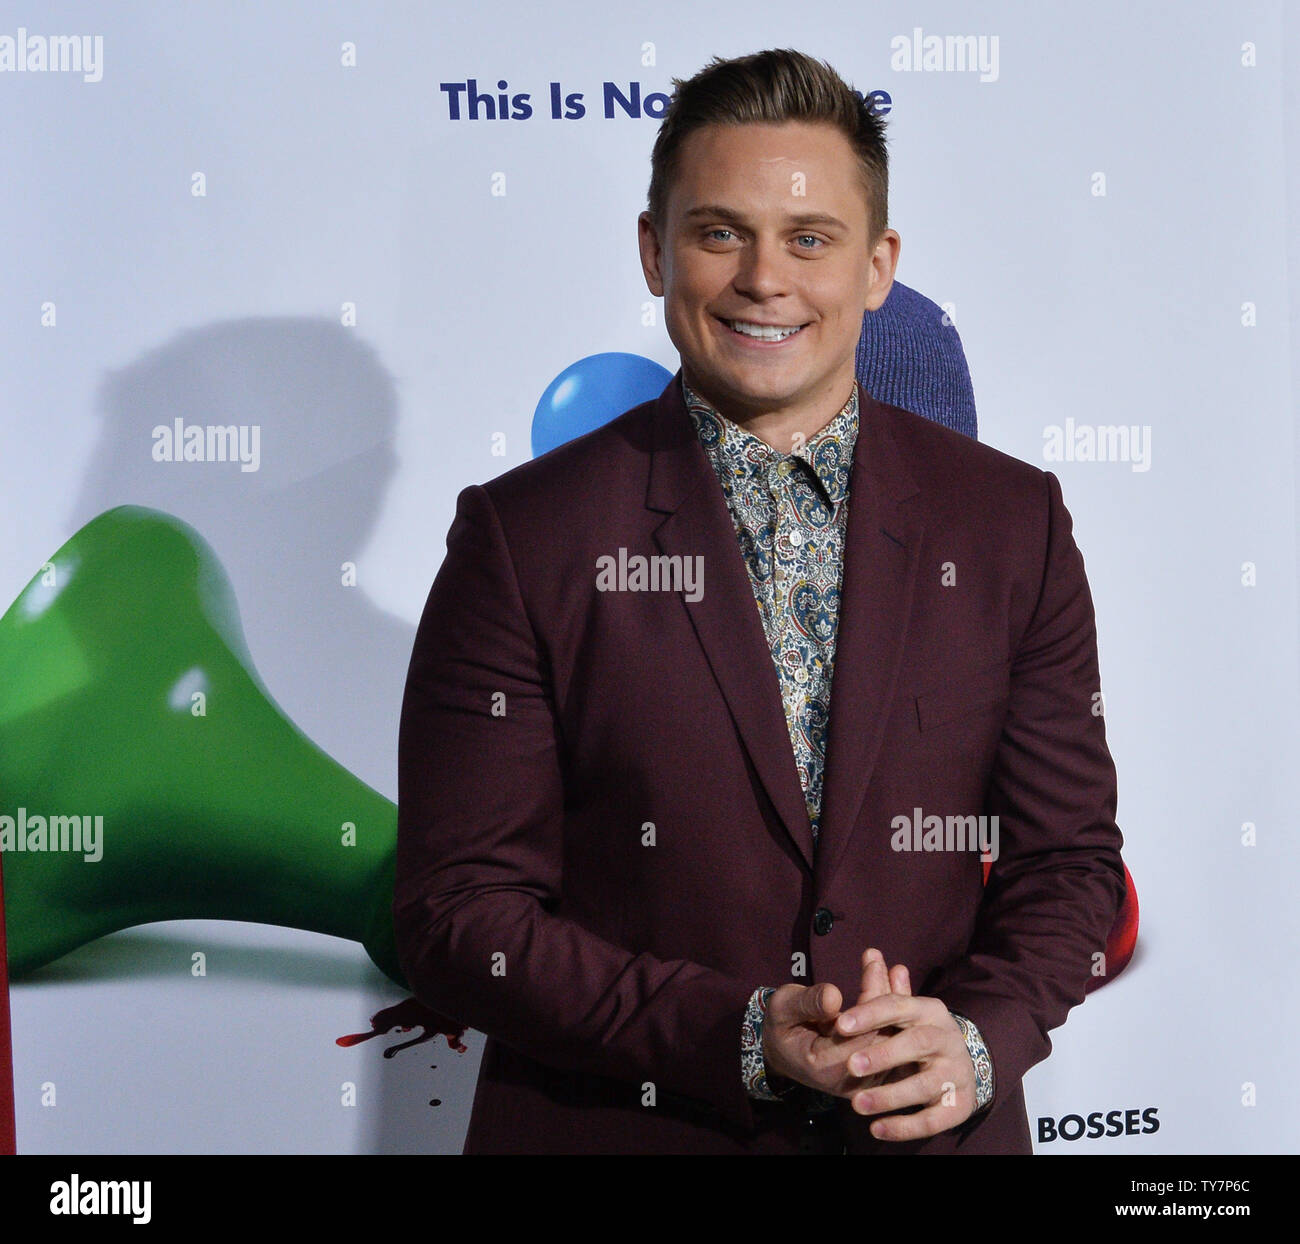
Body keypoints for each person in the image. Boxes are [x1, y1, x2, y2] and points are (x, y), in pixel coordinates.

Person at [393, 47, 1125, 1155]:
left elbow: (1067, 861)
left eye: (810, 239)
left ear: (878, 266)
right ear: (655, 251)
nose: (764, 279)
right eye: (718, 231)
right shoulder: (523, 536)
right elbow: (458, 917)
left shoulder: (1007, 521)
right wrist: (734, 1032)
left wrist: (978, 1035)